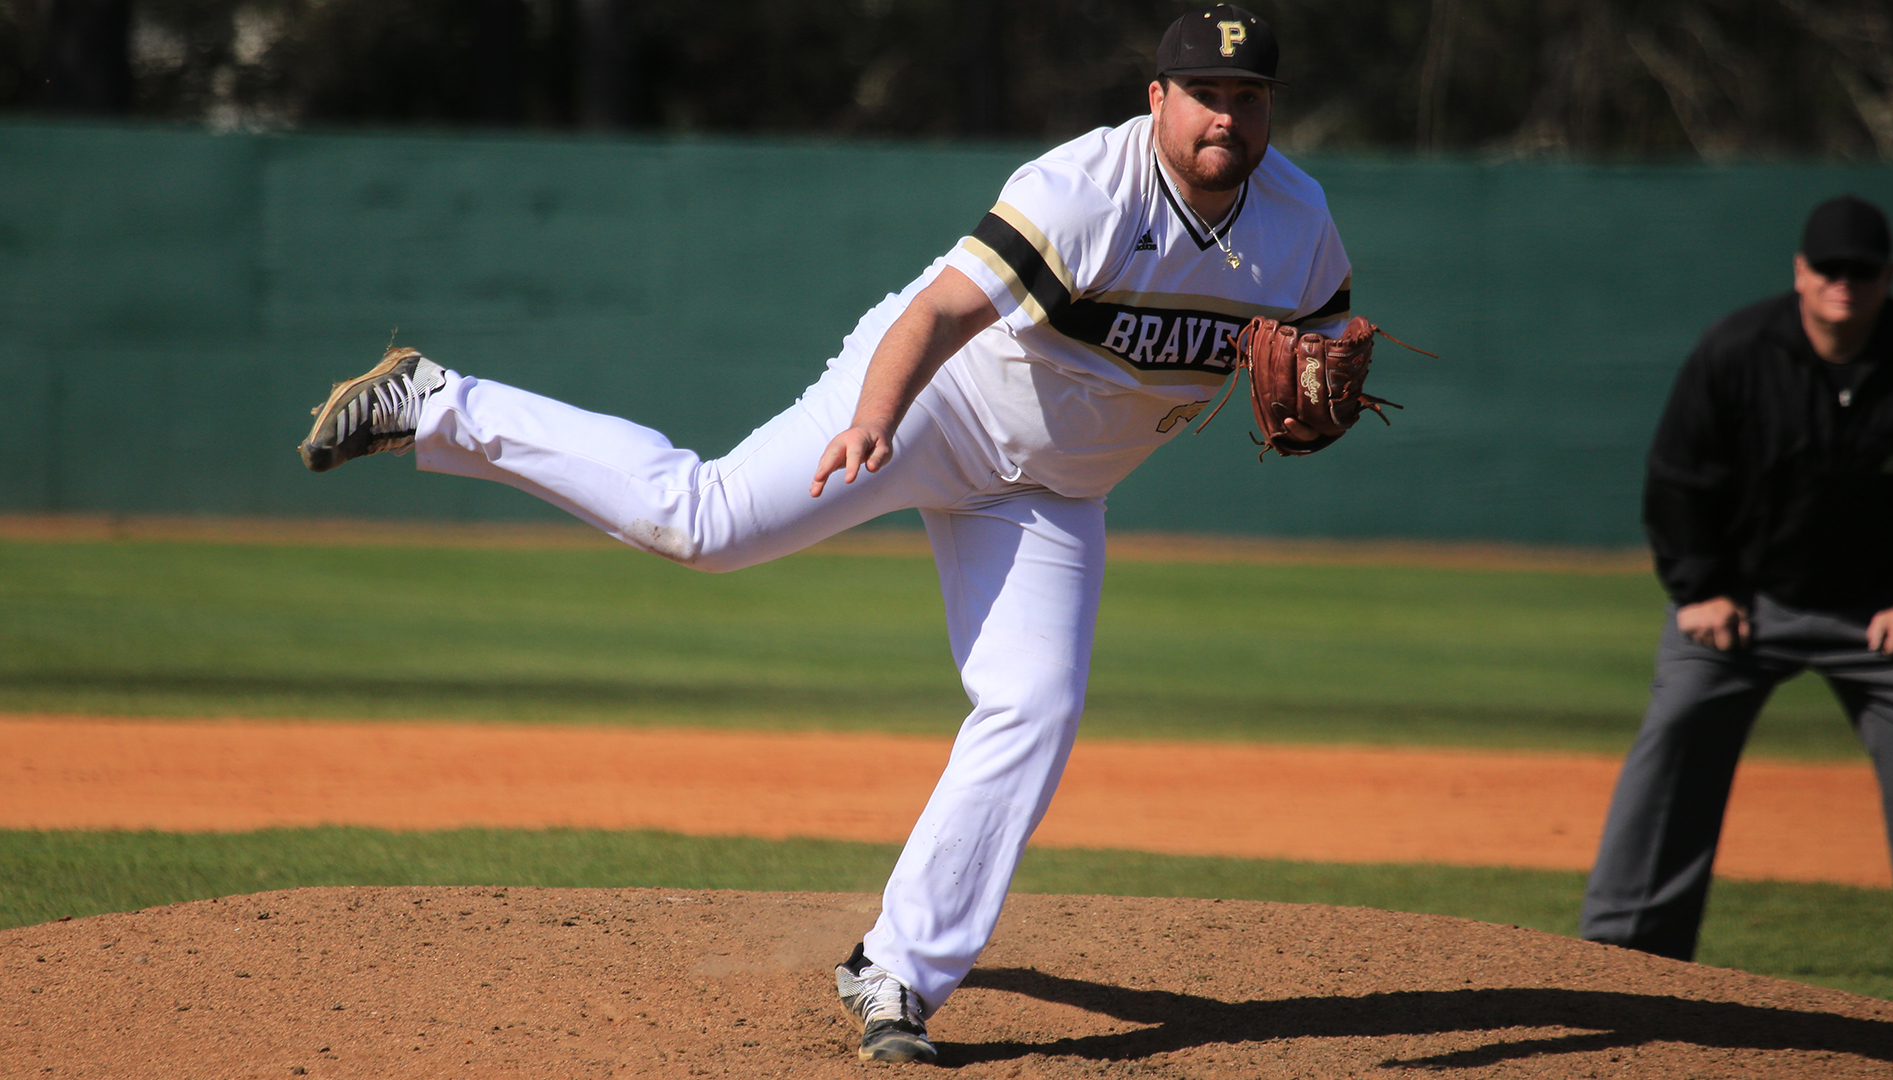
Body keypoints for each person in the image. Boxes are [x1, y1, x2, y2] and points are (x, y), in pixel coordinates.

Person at [298, 5, 1356, 1063]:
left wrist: (1331, 399)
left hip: (1052, 494)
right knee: (702, 521)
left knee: (1035, 705)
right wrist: (874, 420)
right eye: (1207, 95)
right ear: (1158, 98)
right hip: (930, 403)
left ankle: (896, 972)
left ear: (1270, 110)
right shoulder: (1084, 191)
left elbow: (1328, 346)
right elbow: (936, 315)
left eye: (1249, 97)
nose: (1228, 114)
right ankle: (440, 403)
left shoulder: (1298, 226)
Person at [1580, 195, 1893, 975]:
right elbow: (1677, 480)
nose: (1845, 283)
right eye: (1830, 268)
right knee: (1679, 726)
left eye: (1862, 271)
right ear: (1801, 272)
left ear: (1888, 277)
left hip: (1879, 615)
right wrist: (1700, 589)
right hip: (1741, 605)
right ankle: (1625, 959)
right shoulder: (1738, 350)